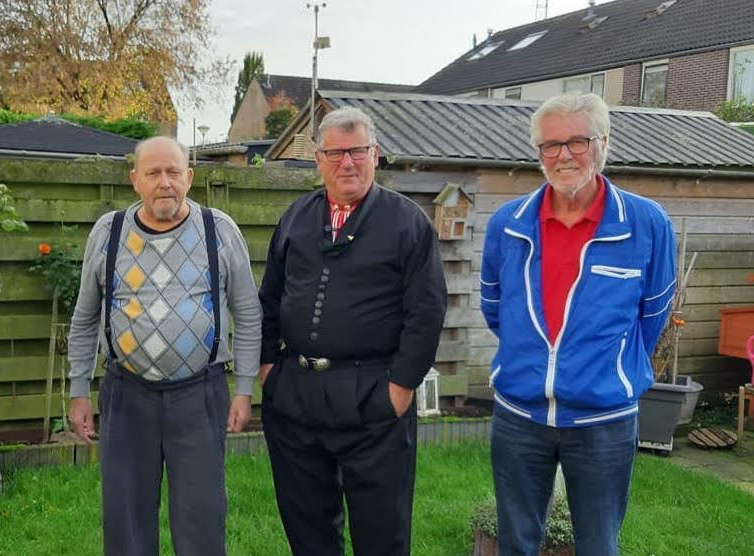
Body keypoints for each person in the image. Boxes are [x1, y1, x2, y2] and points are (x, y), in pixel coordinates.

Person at [479, 93, 676, 555]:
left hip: (603, 420)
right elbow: (496, 309)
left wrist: (608, 369)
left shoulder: (646, 223)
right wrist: (532, 358)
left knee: (599, 545)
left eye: (578, 141)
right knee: (515, 544)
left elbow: (653, 313)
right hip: (519, 417)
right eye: (551, 145)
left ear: (603, 144)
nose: (564, 154)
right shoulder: (508, 224)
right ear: (538, 154)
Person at [257, 106, 447, 556]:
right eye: (336, 153)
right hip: (296, 396)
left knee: (381, 536)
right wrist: (269, 370)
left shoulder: (407, 223)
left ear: (375, 155)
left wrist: (399, 389)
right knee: (308, 533)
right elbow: (269, 296)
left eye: (357, 151)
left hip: (373, 397)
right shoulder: (296, 218)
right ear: (318, 159)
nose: (348, 163)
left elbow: (427, 311)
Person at [67, 136, 261, 555]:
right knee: (126, 521)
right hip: (127, 393)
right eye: (153, 173)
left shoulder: (219, 230)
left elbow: (247, 313)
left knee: (202, 519)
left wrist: (244, 388)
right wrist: (78, 390)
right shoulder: (109, 232)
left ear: (189, 178)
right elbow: (84, 318)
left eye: (174, 172)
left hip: (199, 393)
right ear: (135, 179)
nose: (164, 182)